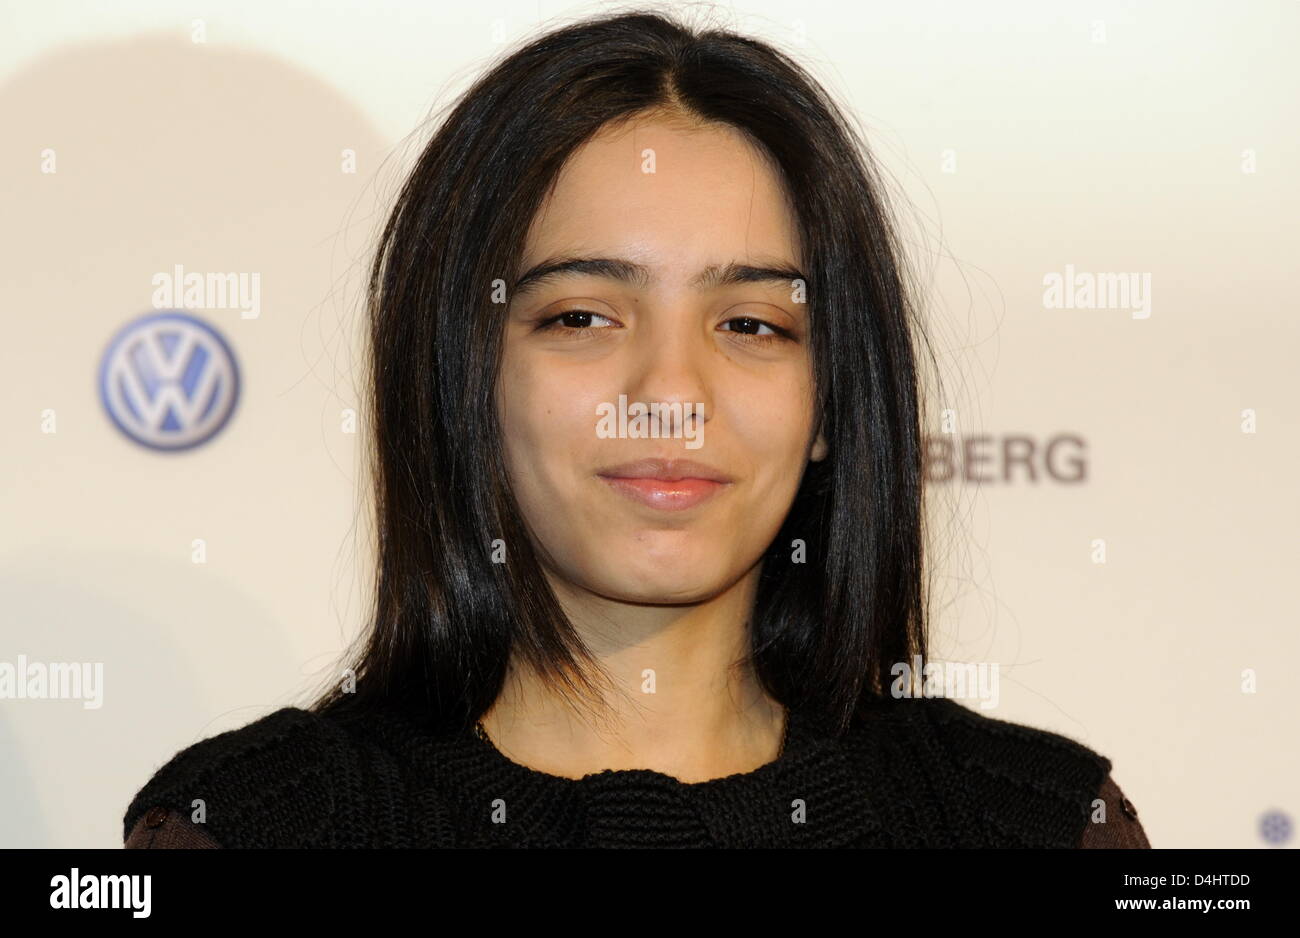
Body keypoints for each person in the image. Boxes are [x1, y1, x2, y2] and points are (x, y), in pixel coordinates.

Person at [124, 9, 1149, 849]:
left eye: (751, 323)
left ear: (832, 398)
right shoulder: (254, 827)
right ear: (464, 376)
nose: (669, 389)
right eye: (581, 317)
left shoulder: (1039, 824)